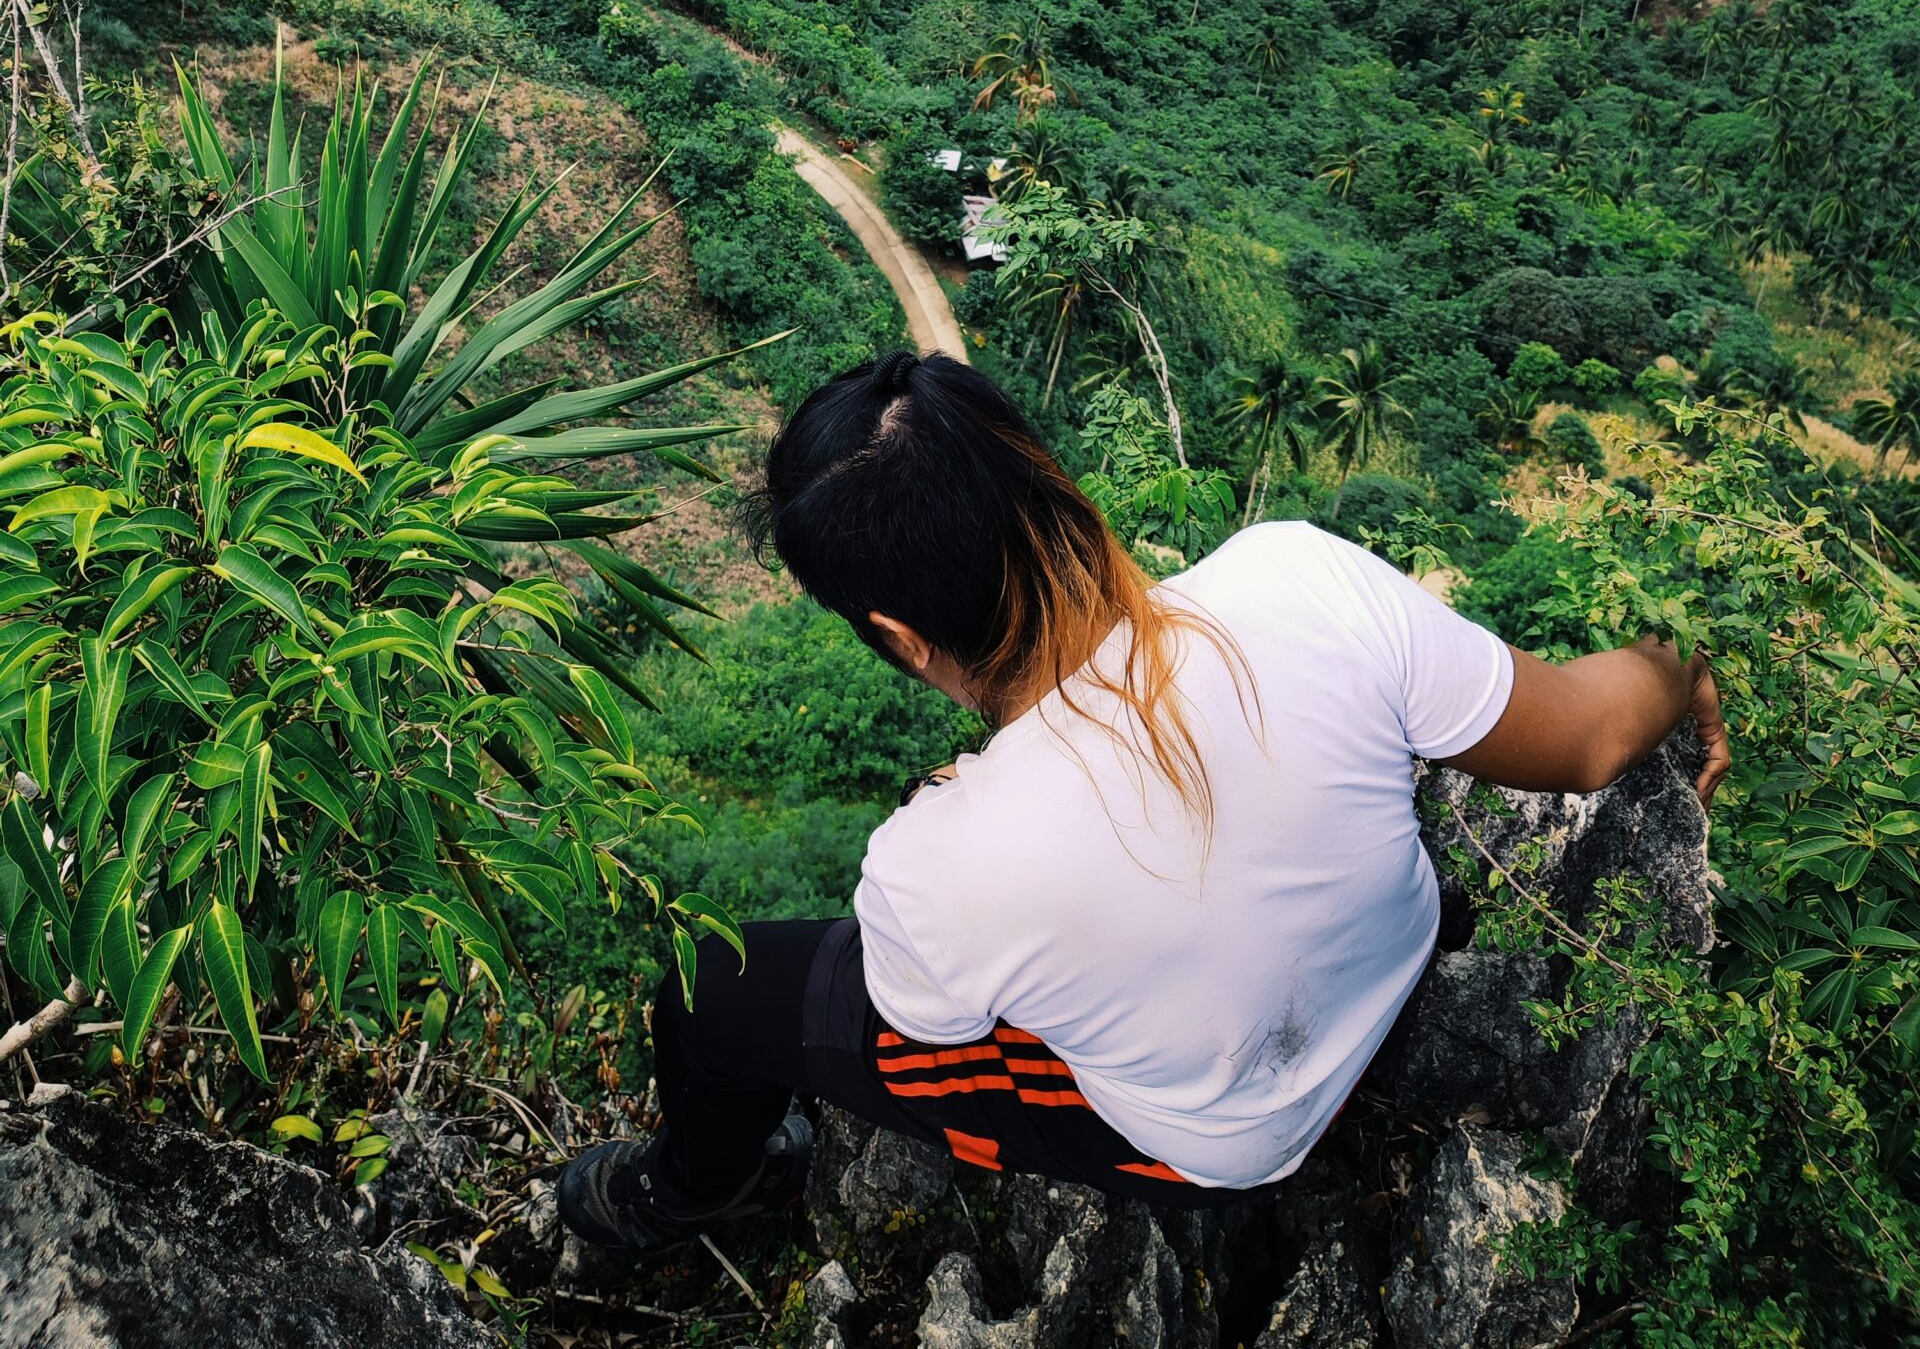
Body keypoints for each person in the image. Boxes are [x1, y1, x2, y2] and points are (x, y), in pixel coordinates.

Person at [558, 352, 1728, 1257]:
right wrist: (1694, 660)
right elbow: (1588, 739)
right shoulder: (1299, 575)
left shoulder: (933, 862)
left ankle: (694, 1191)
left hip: (1236, 1139)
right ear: (1045, 479)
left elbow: (935, 1030)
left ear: (901, 640)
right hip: (1400, 961)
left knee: (717, 992)